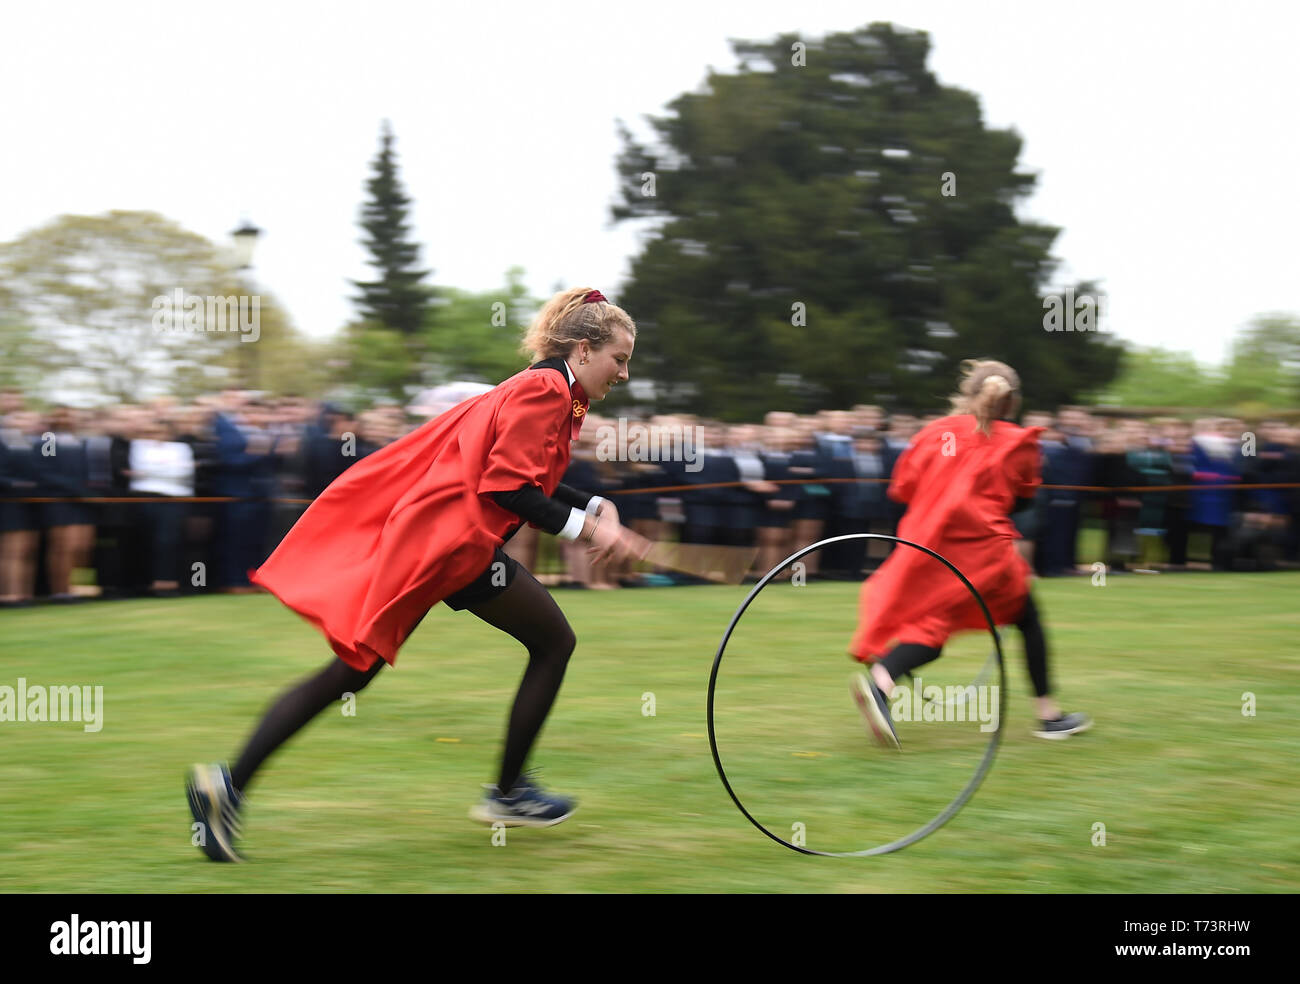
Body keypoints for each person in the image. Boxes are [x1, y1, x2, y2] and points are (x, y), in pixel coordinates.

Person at [186, 288, 650, 862]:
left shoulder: (545, 385)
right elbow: (506, 488)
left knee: (355, 672)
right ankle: (507, 794)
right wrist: (586, 529)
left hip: (452, 547)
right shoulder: (545, 391)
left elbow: (525, 477)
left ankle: (227, 786)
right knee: (551, 643)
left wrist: (596, 505)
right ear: (583, 350)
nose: (625, 373)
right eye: (620, 359)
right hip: (452, 550)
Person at [846, 360, 1092, 746]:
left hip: (929, 545)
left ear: (967, 392)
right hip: (983, 552)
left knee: (933, 624)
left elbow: (902, 489)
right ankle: (1049, 716)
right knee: (1027, 617)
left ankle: (882, 680)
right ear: (1012, 403)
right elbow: (1024, 499)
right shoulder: (1018, 441)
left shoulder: (933, 434)